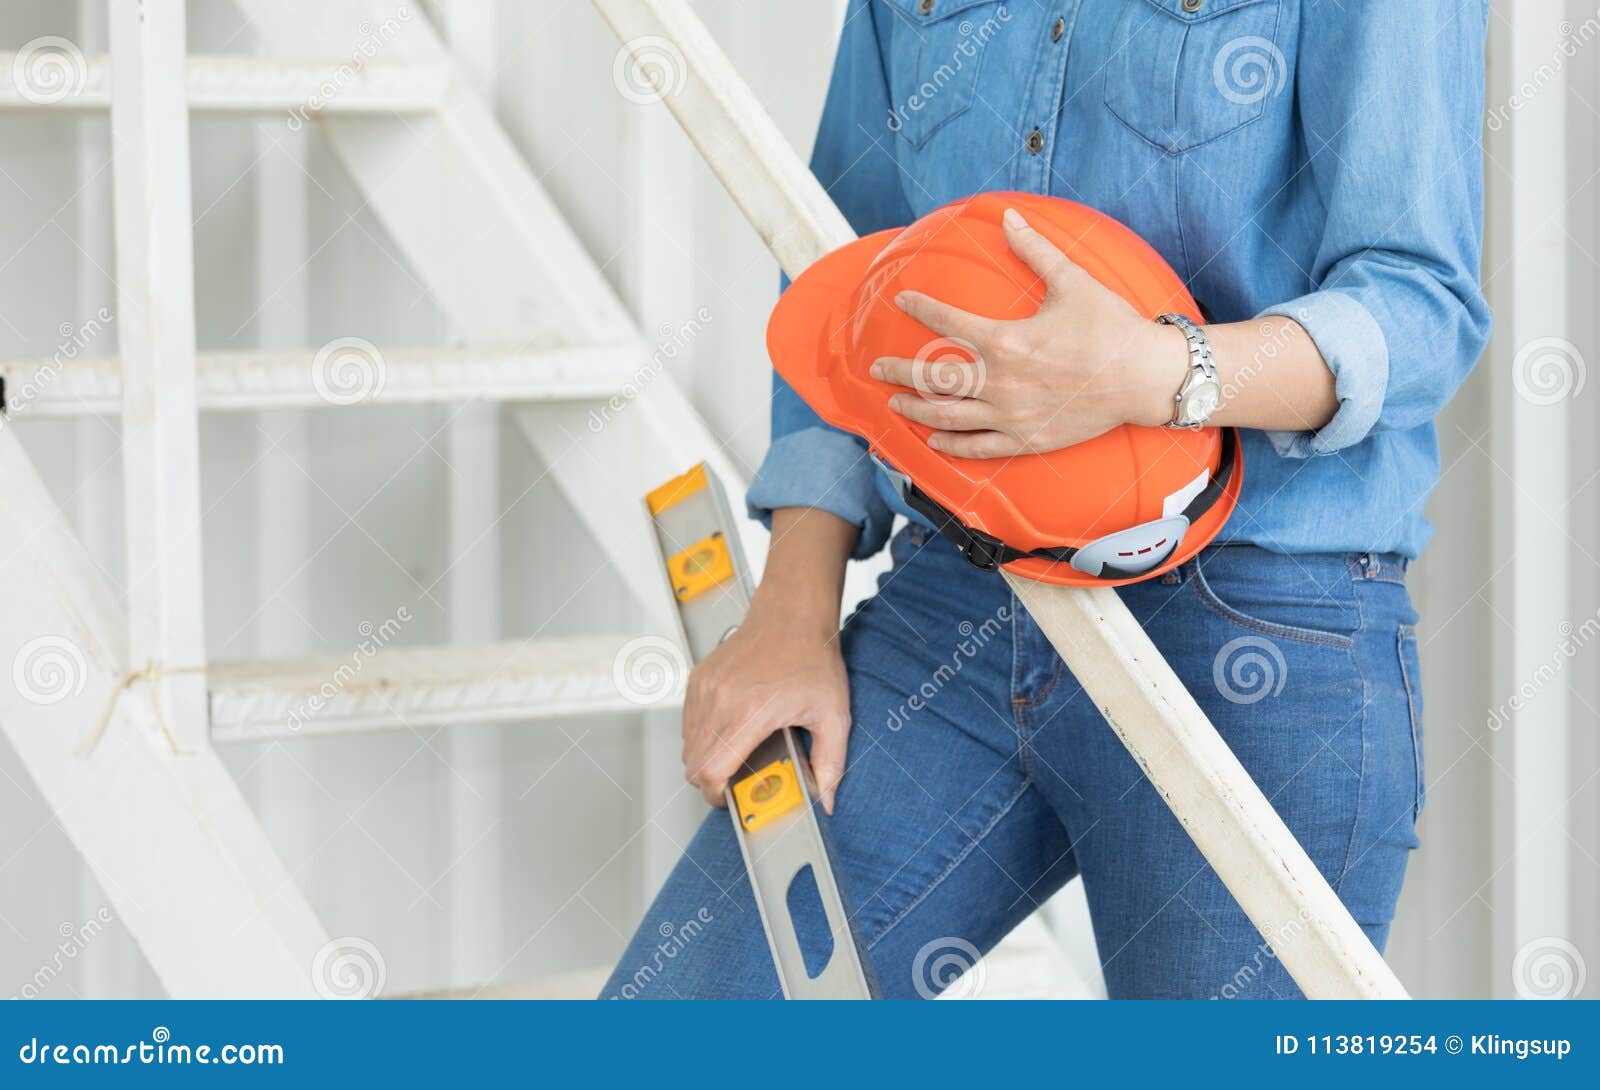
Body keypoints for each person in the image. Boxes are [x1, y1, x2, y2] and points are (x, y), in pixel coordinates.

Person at [602, 0, 1490, 999]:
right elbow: (846, 266)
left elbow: (1421, 305)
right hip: (958, 599)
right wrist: (790, 611)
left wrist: (1152, 373)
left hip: (1256, 630)